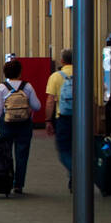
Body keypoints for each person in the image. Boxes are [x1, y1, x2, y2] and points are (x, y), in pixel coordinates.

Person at [0, 59, 42, 195]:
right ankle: (19, 185)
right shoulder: (27, 86)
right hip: (24, 125)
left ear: (5, 73)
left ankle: (7, 181)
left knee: (5, 154)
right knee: (22, 155)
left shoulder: (1, 87)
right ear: (20, 72)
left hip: (6, 124)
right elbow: (37, 106)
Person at [44, 49, 73, 190]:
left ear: (62, 61)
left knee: (63, 150)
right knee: (79, 148)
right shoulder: (83, 72)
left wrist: (48, 121)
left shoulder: (56, 76)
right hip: (81, 119)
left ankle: (75, 172)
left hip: (63, 118)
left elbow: (50, 101)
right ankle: (79, 172)